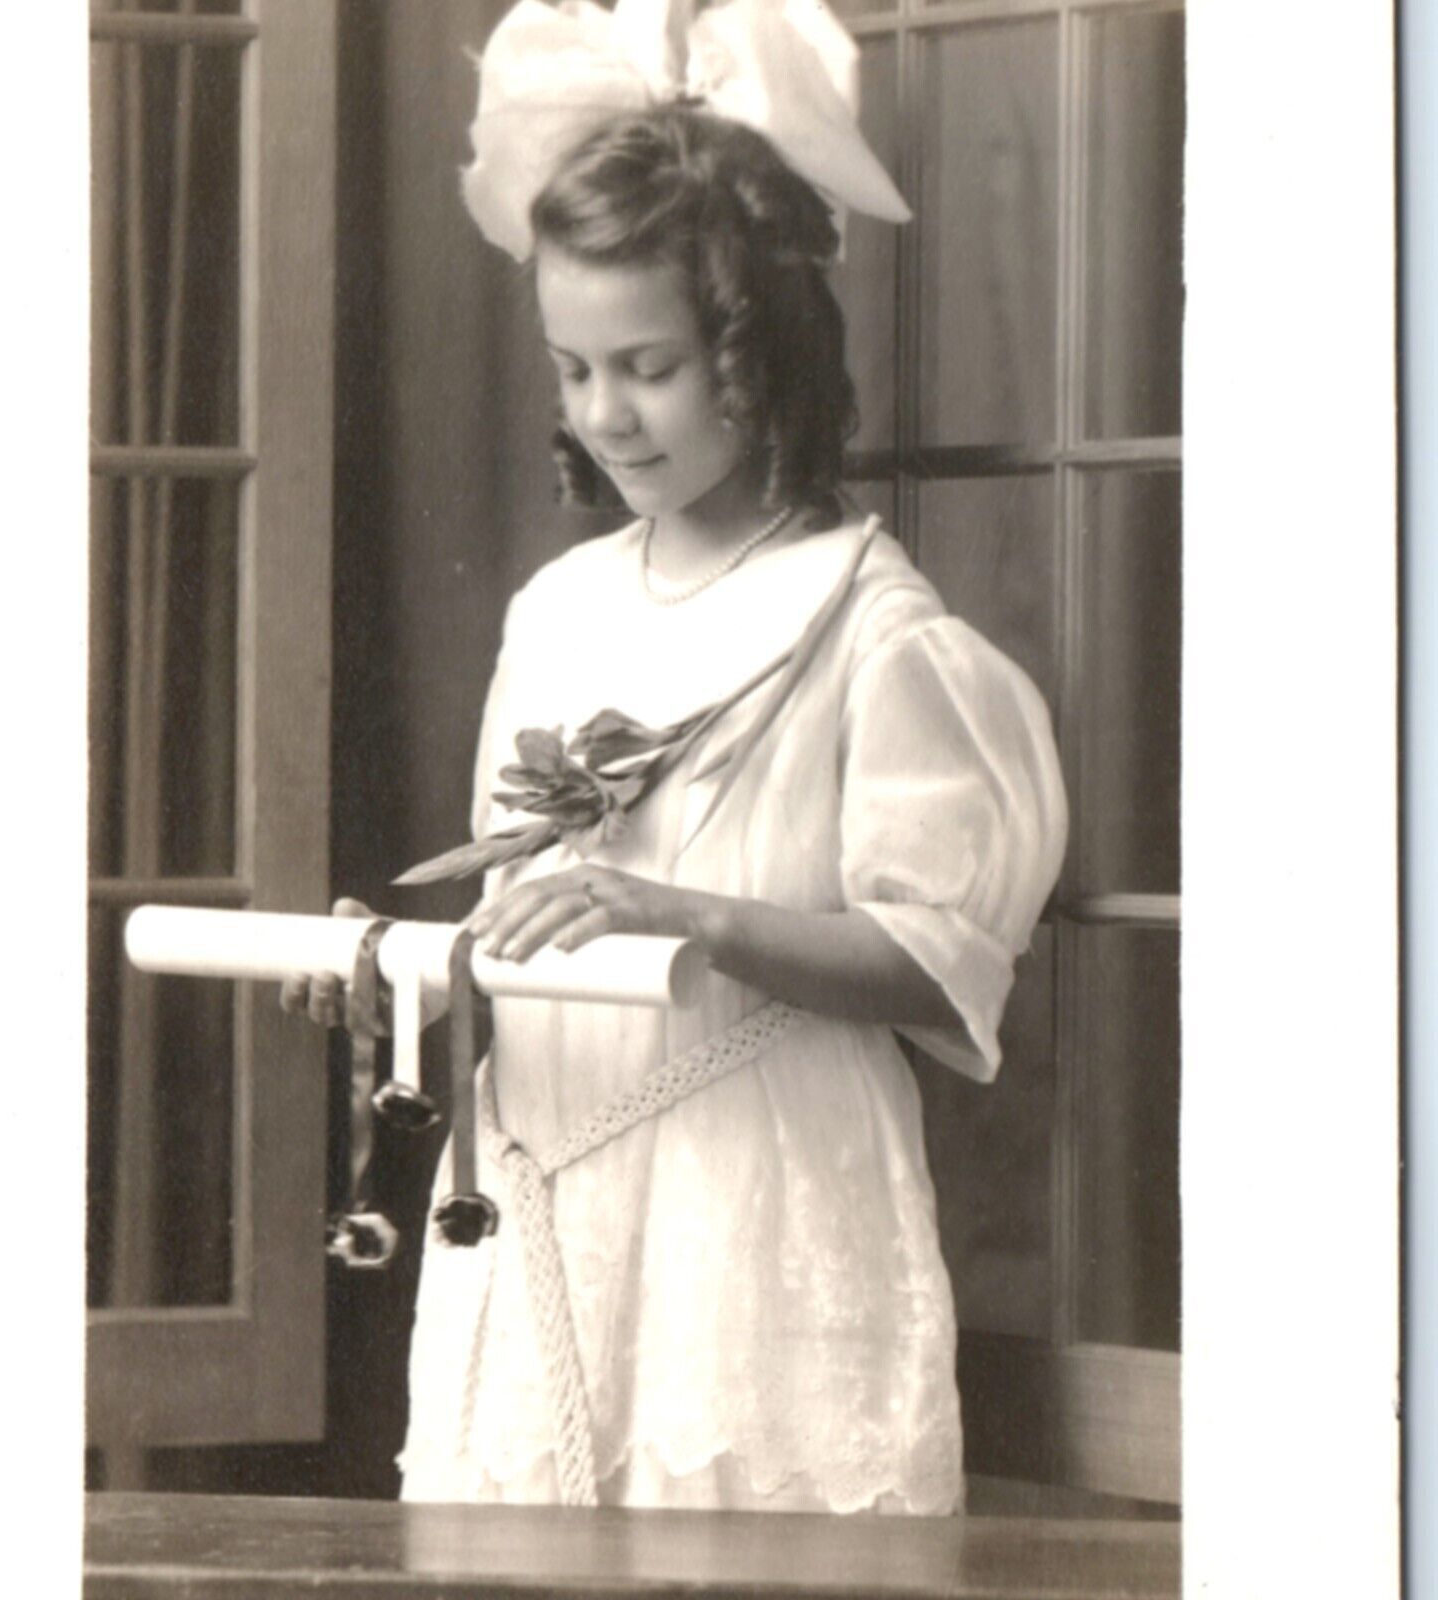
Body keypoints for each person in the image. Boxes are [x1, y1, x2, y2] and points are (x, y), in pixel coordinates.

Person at [286, 0, 1067, 1516]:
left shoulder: (873, 630)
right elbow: (515, 928)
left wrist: (688, 916)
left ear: (759, 353)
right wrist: (397, 980)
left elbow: (942, 962)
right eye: (572, 369)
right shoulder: (559, 610)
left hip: (754, 1204)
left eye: (645, 365)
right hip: (545, 1185)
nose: (605, 414)